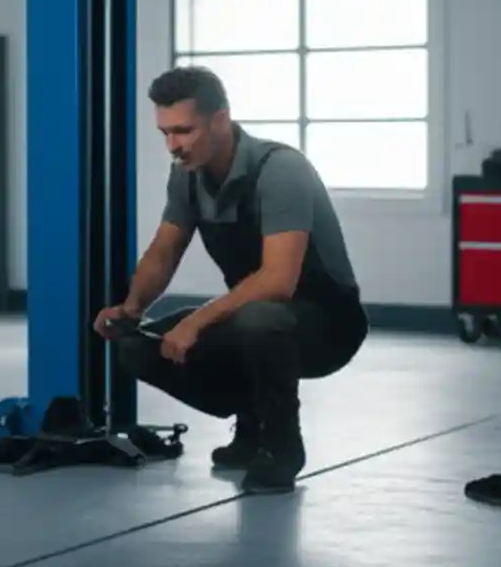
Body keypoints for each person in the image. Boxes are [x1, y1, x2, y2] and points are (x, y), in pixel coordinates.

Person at [93, 66, 369, 494]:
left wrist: (197, 322)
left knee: (258, 319)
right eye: (164, 133)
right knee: (136, 347)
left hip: (328, 326)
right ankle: (251, 422)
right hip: (257, 316)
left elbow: (278, 280)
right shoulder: (187, 174)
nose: (173, 146)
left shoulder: (280, 169)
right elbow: (164, 251)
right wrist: (131, 309)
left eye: (183, 131)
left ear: (221, 119)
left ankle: (281, 448)